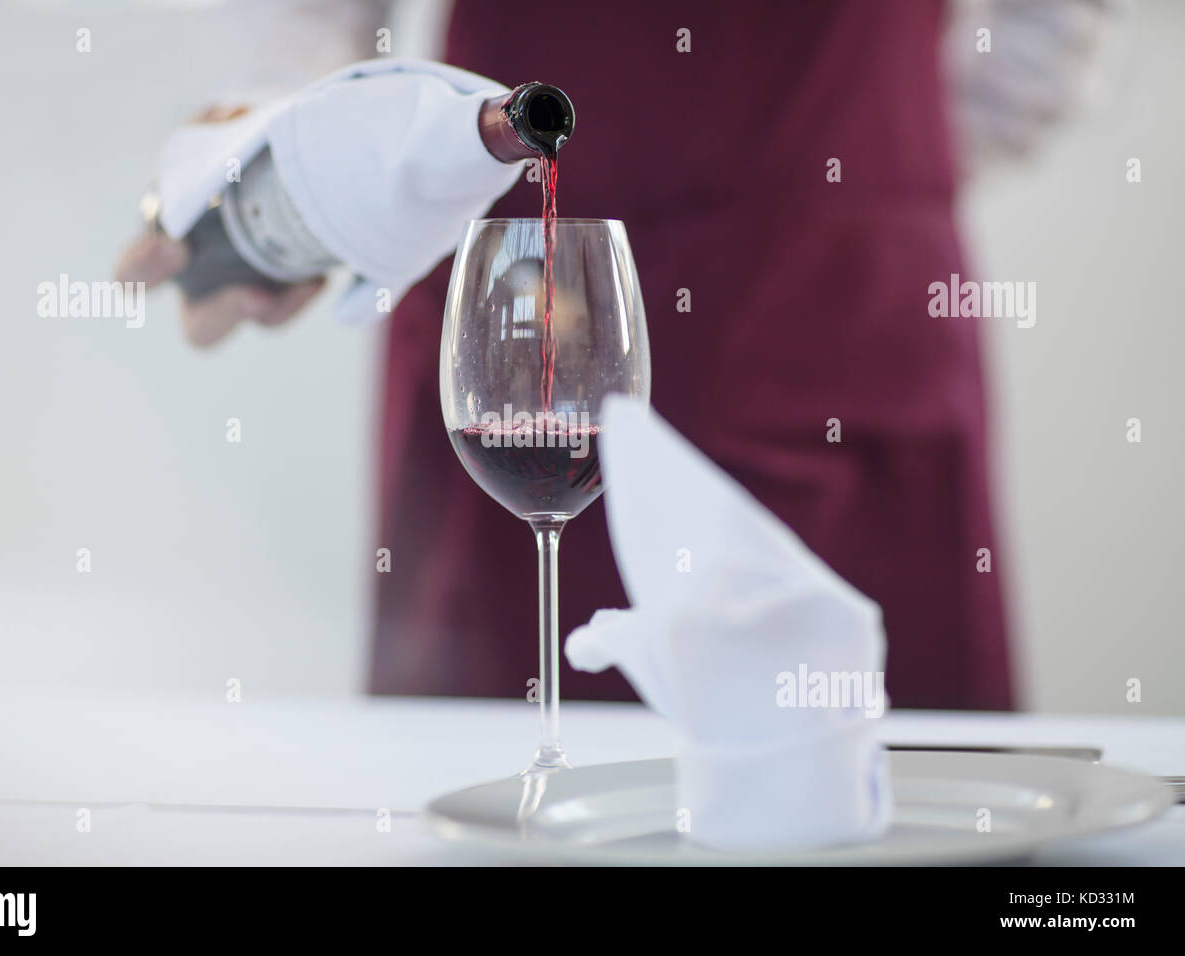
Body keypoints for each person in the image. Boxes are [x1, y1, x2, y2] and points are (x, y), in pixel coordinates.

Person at [118, 0, 1114, 710]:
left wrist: (864, 177)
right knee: (500, 781)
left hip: (844, 313)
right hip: (512, 296)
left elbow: (1042, 27)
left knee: (887, 780)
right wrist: (278, 166)